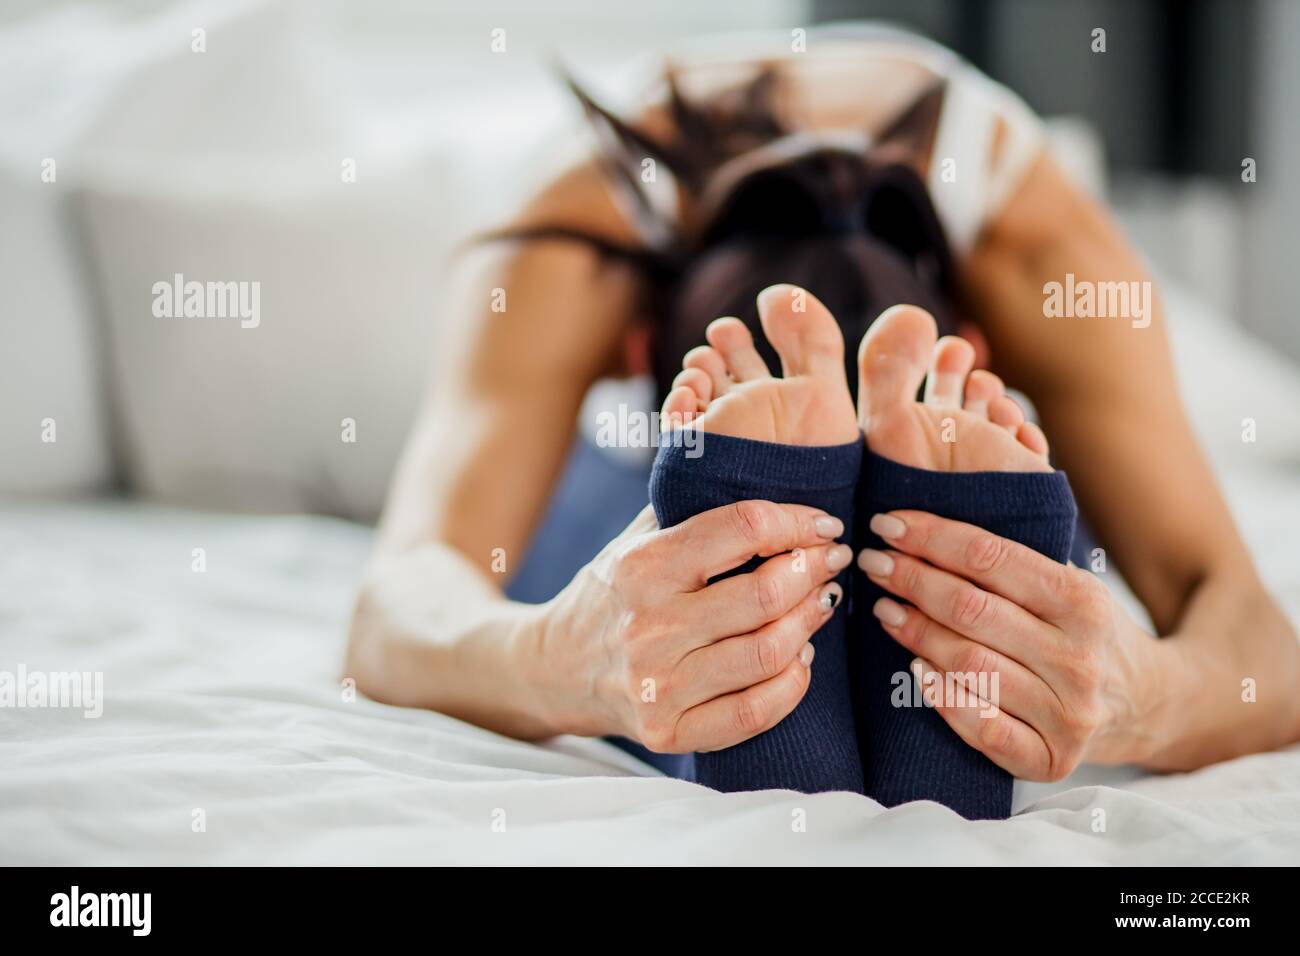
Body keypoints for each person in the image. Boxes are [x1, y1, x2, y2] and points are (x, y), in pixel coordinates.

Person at [344, 27, 1300, 815]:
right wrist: (568, 655)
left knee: (1028, 555)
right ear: (637, 352)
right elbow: (399, 601)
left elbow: (401, 614)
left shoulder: (1040, 243)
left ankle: (794, 547)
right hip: (673, 408)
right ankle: (836, 548)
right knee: (610, 555)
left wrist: (1129, 692)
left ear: (980, 334)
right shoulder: (572, 242)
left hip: (948, 381)